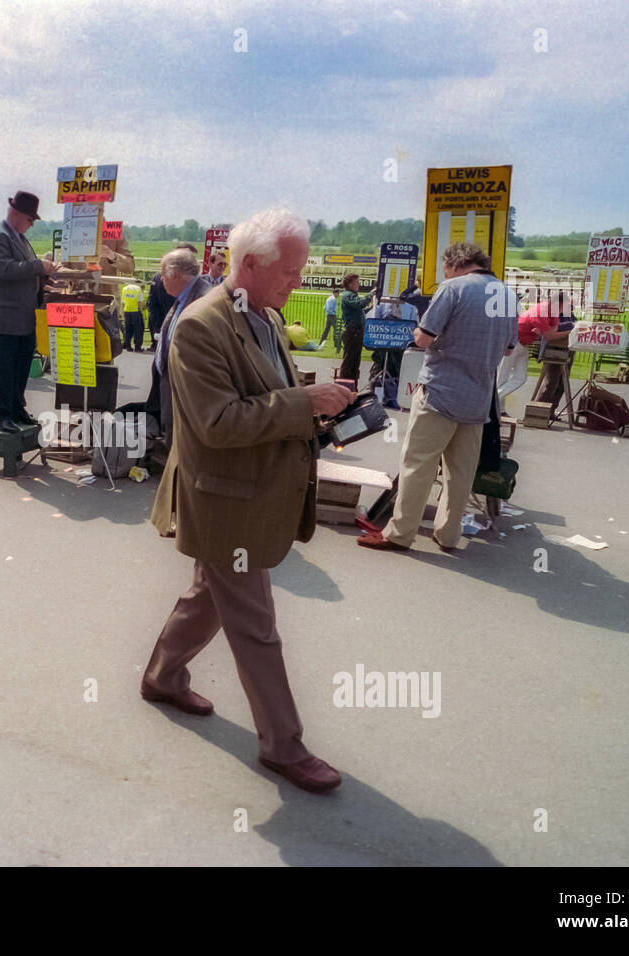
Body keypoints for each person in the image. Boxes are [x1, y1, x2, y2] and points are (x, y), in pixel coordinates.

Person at [144, 208, 353, 794]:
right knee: (257, 626)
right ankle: (283, 746)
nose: (297, 282)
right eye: (289, 271)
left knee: (210, 595)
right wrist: (304, 403)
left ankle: (162, 675)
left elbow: (270, 399)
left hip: (254, 492)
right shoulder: (199, 326)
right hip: (226, 500)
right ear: (251, 264)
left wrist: (323, 410)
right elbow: (216, 423)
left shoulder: (263, 314)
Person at [358, 242, 517, 553]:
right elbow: (509, 349)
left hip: (440, 391)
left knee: (419, 464)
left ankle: (400, 533)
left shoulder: (453, 289)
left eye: (445, 269)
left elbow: (424, 338)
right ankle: (448, 534)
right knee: (461, 472)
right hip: (479, 397)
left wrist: (424, 332)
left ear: (456, 265)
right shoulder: (508, 297)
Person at [0, 190, 57, 433]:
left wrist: (45, 281)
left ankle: (16, 409)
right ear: (15, 213)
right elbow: (6, 269)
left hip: (24, 318)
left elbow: (26, 273)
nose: (32, 224)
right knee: (3, 371)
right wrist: (39, 266)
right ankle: (2, 415)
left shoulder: (20, 238)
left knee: (21, 368)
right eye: (30, 219)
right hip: (4, 319)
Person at [147, 248, 207, 444]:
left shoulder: (203, 300)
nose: (161, 279)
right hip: (172, 392)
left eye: (163, 274)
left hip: (187, 398)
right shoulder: (184, 297)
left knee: (183, 455)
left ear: (176, 275)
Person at [498, 291, 571, 408]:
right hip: (512, 342)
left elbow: (552, 331)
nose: (567, 309)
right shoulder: (542, 312)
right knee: (502, 377)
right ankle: (497, 408)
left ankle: (495, 403)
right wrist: (570, 331)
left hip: (522, 344)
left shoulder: (552, 312)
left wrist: (545, 332)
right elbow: (550, 336)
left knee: (520, 378)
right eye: (566, 306)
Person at [338, 273, 376, 382]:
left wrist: (369, 309)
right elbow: (359, 304)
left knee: (355, 361)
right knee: (349, 361)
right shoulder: (348, 295)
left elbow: (359, 311)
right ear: (349, 284)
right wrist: (370, 295)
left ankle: (352, 383)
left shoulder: (352, 295)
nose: (358, 285)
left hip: (357, 332)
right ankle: (345, 383)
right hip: (352, 332)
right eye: (356, 282)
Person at [146, 267, 175, 351]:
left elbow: (152, 298)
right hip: (169, 307)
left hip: (157, 312)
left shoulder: (156, 277)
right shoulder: (174, 278)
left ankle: (155, 344)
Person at [121, 280, 145, 351]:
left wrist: (123, 311)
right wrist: (140, 311)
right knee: (138, 329)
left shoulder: (124, 289)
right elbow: (139, 302)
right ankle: (137, 347)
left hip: (126, 310)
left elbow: (123, 302)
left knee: (128, 329)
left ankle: (128, 346)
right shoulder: (138, 289)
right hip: (135, 311)